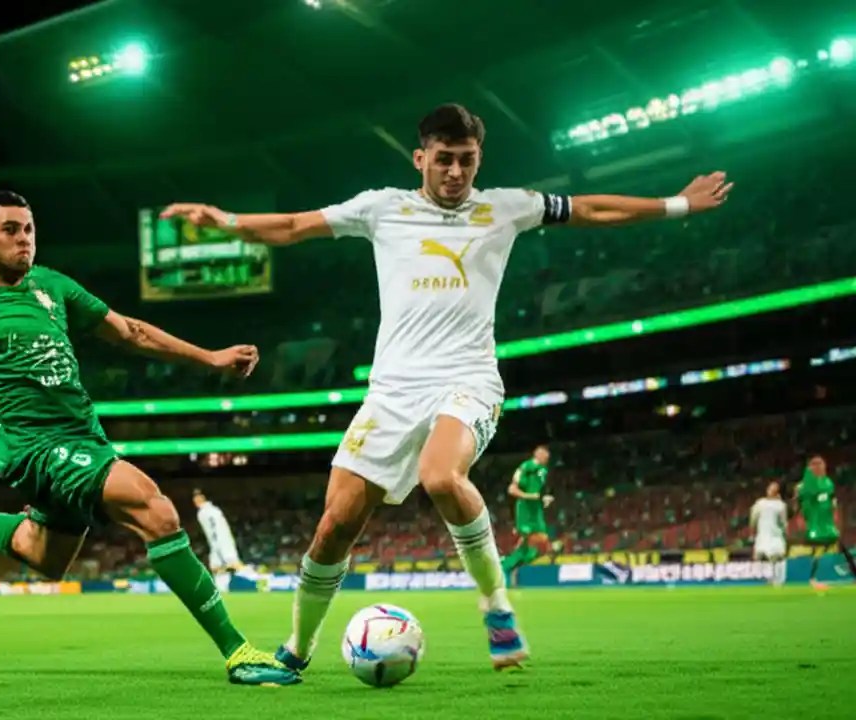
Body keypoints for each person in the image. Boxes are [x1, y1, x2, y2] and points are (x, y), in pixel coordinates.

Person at [161, 103, 733, 672]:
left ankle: (497, 608)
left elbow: (590, 209)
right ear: (421, 159)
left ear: (478, 159)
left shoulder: (506, 208)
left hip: (468, 380)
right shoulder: (382, 208)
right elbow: (293, 226)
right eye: (444, 160)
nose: (456, 172)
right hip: (390, 394)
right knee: (334, 526)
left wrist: (678, 203)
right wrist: (227, 221)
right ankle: (297, 651)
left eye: (466, 160)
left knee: (440, 475)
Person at [0, 190, 299, 687]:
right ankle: (237, 651)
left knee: (45, 556)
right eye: (10, 229)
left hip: (81, 435)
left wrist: (211, 357)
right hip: (32, 449)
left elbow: (130, 331)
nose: (23, 239)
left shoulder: (53, 286)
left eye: (28, 229)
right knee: (155, 509)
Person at [795, 455, 855, 590]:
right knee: (820, 549)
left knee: (835, 546)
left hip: (827, 524)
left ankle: (816, 578)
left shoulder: (828, 483)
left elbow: (832, 500)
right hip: (816, 524)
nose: (820, 467)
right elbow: (803, 504)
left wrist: (834, 513)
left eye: (821, 465)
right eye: (816, 465)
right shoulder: (806, 485)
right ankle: (813, 578)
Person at [501, 445, 554, 585]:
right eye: (545, 454)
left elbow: (538, 491)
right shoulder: (526, 467)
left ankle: (510, 566)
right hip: (525, 510)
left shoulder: (544, 471)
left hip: (537, 510)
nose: (547, 458)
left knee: (542, 544)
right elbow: (512, 489)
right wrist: (528, 496)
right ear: (538, 454)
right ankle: (504, 568)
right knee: (530, 541)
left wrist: (543, 499)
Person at [192, 489, 256, 582]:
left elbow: (217, 531)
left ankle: (257, 578)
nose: (195, 500)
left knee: (234, 565)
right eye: (194, 497)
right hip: (217, 545)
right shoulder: (211, 511)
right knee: (216, 568)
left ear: (203, 497)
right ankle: (222, 592)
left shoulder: (207, 512)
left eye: (197, 497)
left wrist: (219, 547)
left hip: (221, 544)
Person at [749, 481, 788, 587]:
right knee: (762, 558)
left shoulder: (781, 505)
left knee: (778, 557)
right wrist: (752, 533)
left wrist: (784, 532)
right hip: (763, 535)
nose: (771, 490)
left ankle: (780, 581)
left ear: (777, 492)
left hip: (776, 535)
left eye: (774, 489)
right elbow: (753, 519)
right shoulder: (760, 503)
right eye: (770, 488)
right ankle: (769, 579)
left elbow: (783, 522)